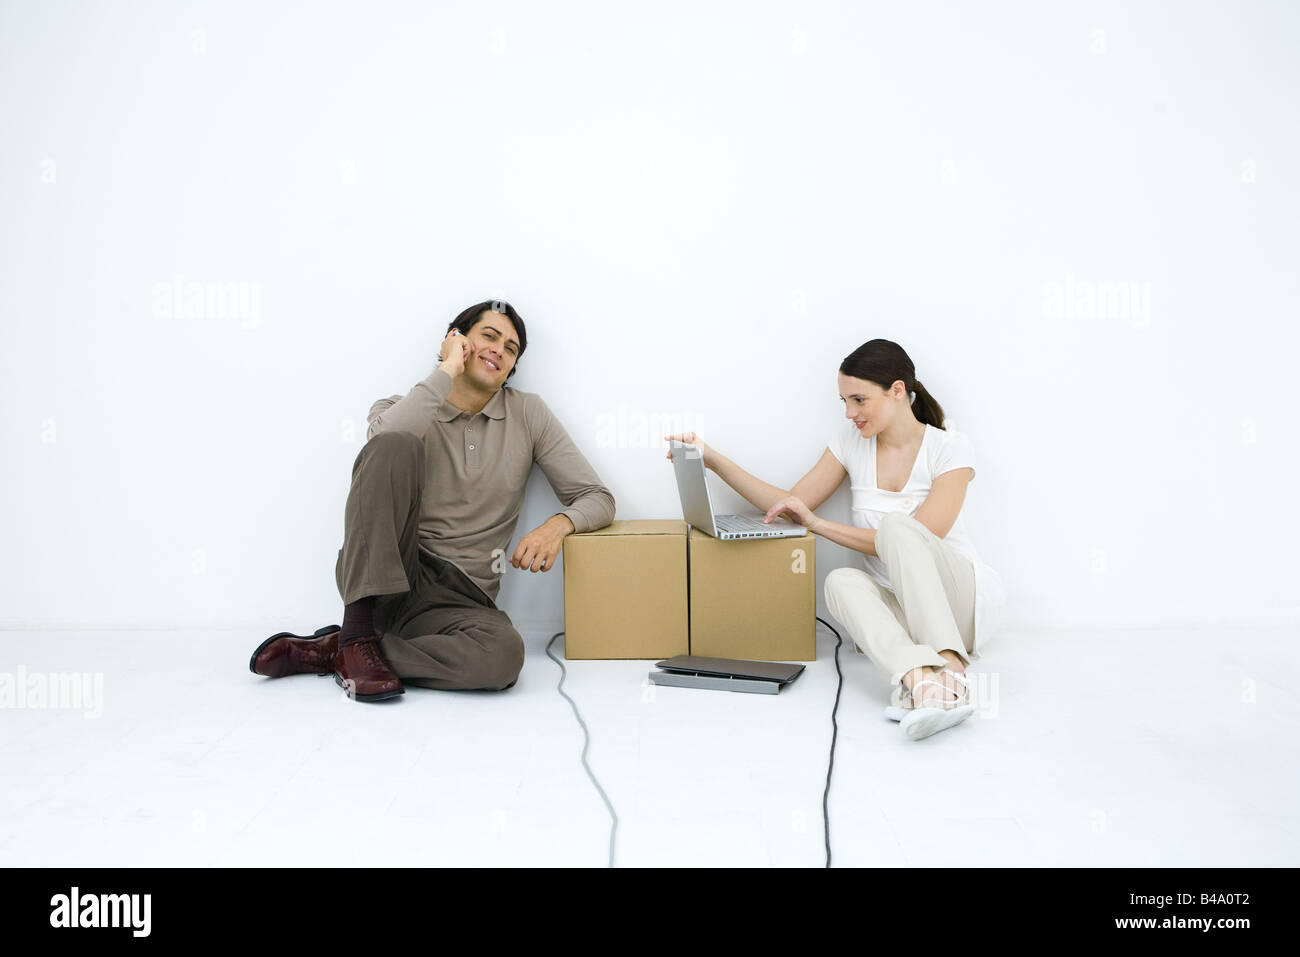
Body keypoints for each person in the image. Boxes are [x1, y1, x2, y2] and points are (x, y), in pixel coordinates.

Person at [250, 299, 616, 701]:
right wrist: (447, 370)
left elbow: (596, 496)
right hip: (389, 578)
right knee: (394, 445)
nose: (499, 350)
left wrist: (557, 526)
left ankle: (348, 649)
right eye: (489, 337)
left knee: (503, 657)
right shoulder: (401, 407)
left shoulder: (529, 414)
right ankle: (358, 632)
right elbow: (381, 445)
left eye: (511, 349)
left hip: (460, 601)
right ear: (456, 341)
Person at [666, 338, 1003, 740]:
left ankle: (952, 669)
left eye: (859, 400)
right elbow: (789, 505)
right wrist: (713, 459)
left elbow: (924, 536)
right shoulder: (850, 444)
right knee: (839, 581)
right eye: (844, 401)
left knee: (898, 528)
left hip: (958, 605)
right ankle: (921, 682)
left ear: (898, 391)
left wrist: (819, 525)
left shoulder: (950, 447)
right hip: (905, 610)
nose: (849, 413)